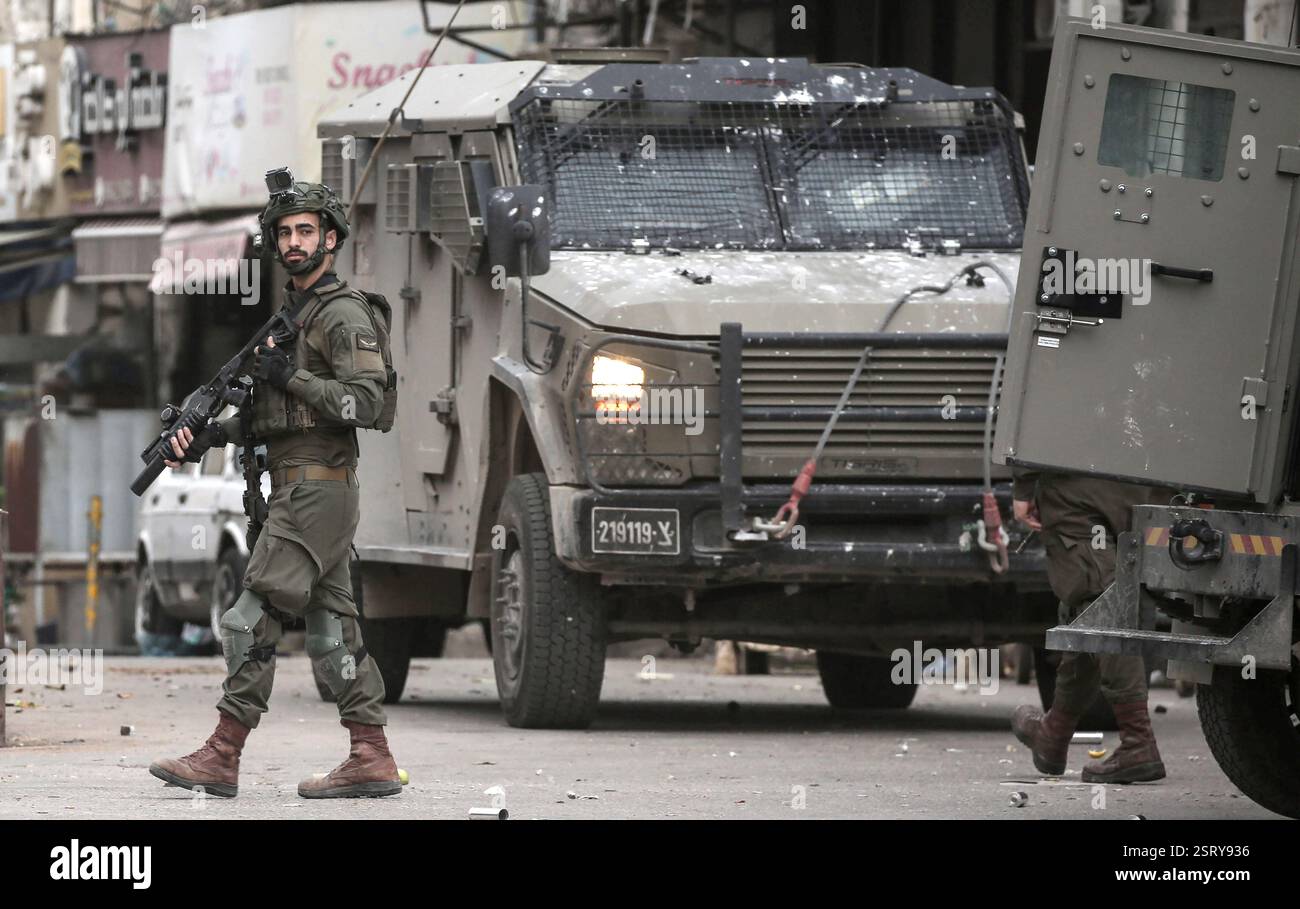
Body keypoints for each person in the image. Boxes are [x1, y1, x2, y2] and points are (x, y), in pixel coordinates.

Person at [149, 179, 401, 799]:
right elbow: (275, 420)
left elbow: (372, 405)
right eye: (285, 232)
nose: (293, 242)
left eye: (306, 231)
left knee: (246, 619)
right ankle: (371, 754)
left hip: (317, 491)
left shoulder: (343, 314)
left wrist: (293, 377)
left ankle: (222, 753)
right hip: (295, 489)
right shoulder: (292, 317)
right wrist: (209, 435)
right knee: (331, 632)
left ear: (332, 239)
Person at [1010, 469, 1167, 784]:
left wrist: (1024, 488)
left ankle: (1139, 742)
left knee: (1098, 600)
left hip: (1078, 480)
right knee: (1090, 605)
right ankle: (1053, 735)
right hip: (1145, 480)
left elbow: (1039, 421)